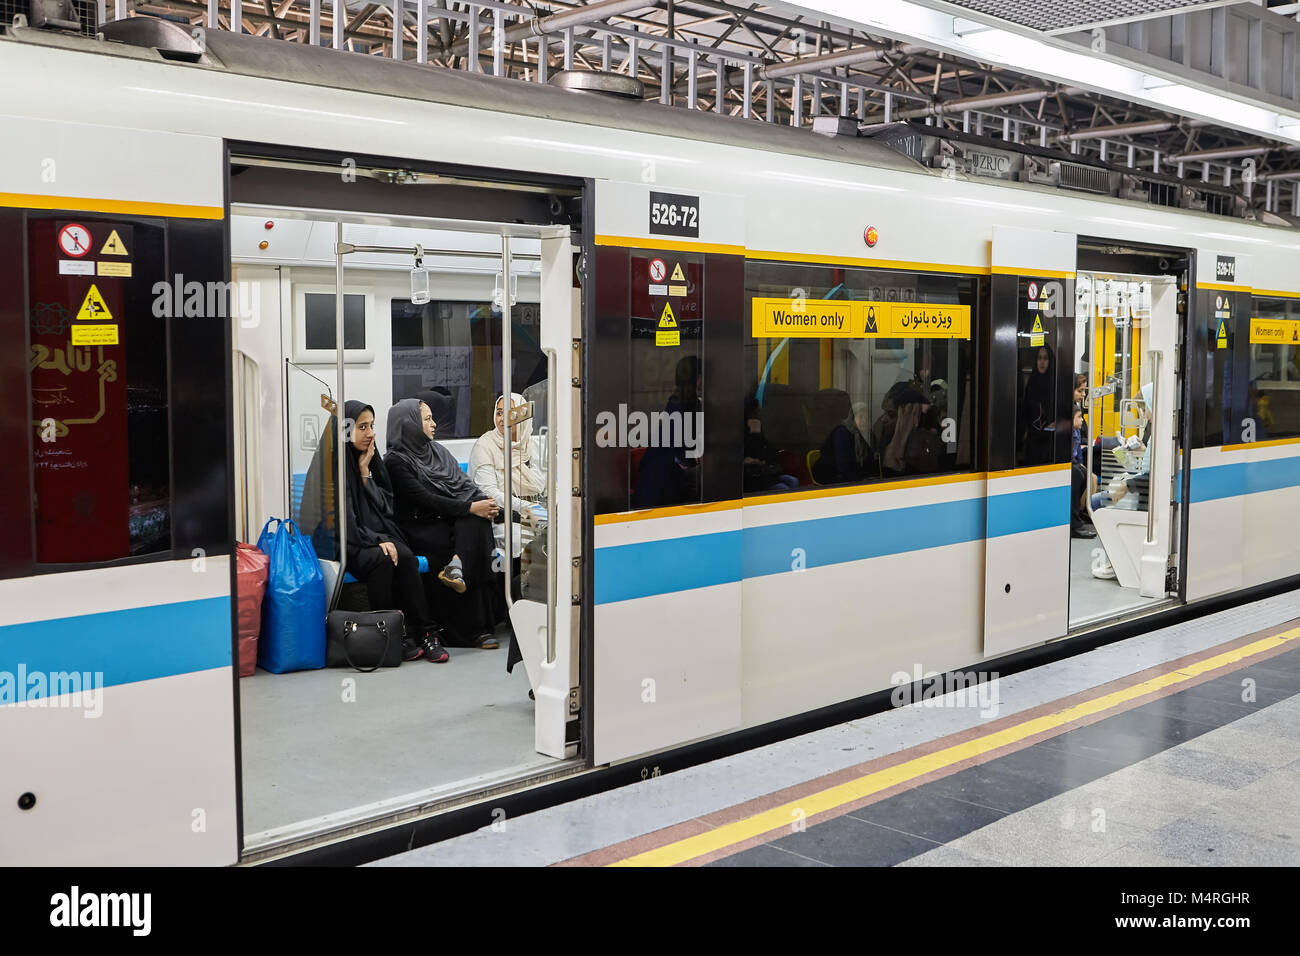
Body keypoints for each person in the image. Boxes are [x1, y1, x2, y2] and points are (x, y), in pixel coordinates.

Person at [386, 398, 502, 650]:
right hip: (417, 527)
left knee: (476, 523)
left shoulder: (437, 451)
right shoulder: (395, 462)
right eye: (427, 419)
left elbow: (463, 486)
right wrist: (472, 507)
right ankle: (472, 629)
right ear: (409, 424)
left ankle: (458, 571)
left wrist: (485, 503)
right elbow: (426, 500)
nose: (434, 424)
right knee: (471, 528)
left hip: (448, 518)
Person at [340, 400, 449, 663]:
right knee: (383, 560)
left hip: (372, 536)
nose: (370, 433)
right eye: (362, 427)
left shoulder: (371, 462)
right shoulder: (335, 467)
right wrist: (377, 542)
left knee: (406, 556)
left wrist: (365, 473)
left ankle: (425, 631)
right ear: (345, 431)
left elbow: (385, 508)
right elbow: (344, 521)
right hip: (347, 541)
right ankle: (388, 635)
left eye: (372, 426)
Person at [470, 393, 549, 677]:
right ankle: (523, 602)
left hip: (535, 512)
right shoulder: (486, 445)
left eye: (511, 413)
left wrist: (542, 508)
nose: (503, 419)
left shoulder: (531, 445)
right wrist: (527, 507)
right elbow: (489, 492)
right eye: (500, 412)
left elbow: (547, 482)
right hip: (501, 518)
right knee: (522, 539)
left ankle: (539, 602)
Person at [743, 397, 799, 492]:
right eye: (754, 413)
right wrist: (754, 433)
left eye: (758, 413)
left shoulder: (760, 429)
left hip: (766, 473)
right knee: (782, 488)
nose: (757, 416)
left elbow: (769, 450)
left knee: (793, 481)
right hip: (750, 479)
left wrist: (765, 461)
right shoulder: (741, 433)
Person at [813, 401, 876, 485]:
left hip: (851, 476)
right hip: (831, 475)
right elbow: (843, 465)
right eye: (860, 417)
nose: (864, 421)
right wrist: (859, 480)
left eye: (867, 418)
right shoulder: (842, 432)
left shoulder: (866, 435)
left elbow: (869, 460)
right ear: (852, 418)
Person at [1021, 346, 1059, 466]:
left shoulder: (1055, 384)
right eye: (1039, 358)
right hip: (1033, 439)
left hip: (1051, 440)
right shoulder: (1032, 383)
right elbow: (1025, 410)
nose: (1042, 362)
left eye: (1045, 358)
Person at [1069, 406, 1096, 539]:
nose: (1082, 420)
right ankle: (1074, 524)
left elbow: (1077, 455)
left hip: (1074, 462)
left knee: (1084, 474)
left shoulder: (1076, 432)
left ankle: (1076, 514)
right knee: (1077, 475)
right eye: (1079, 417)